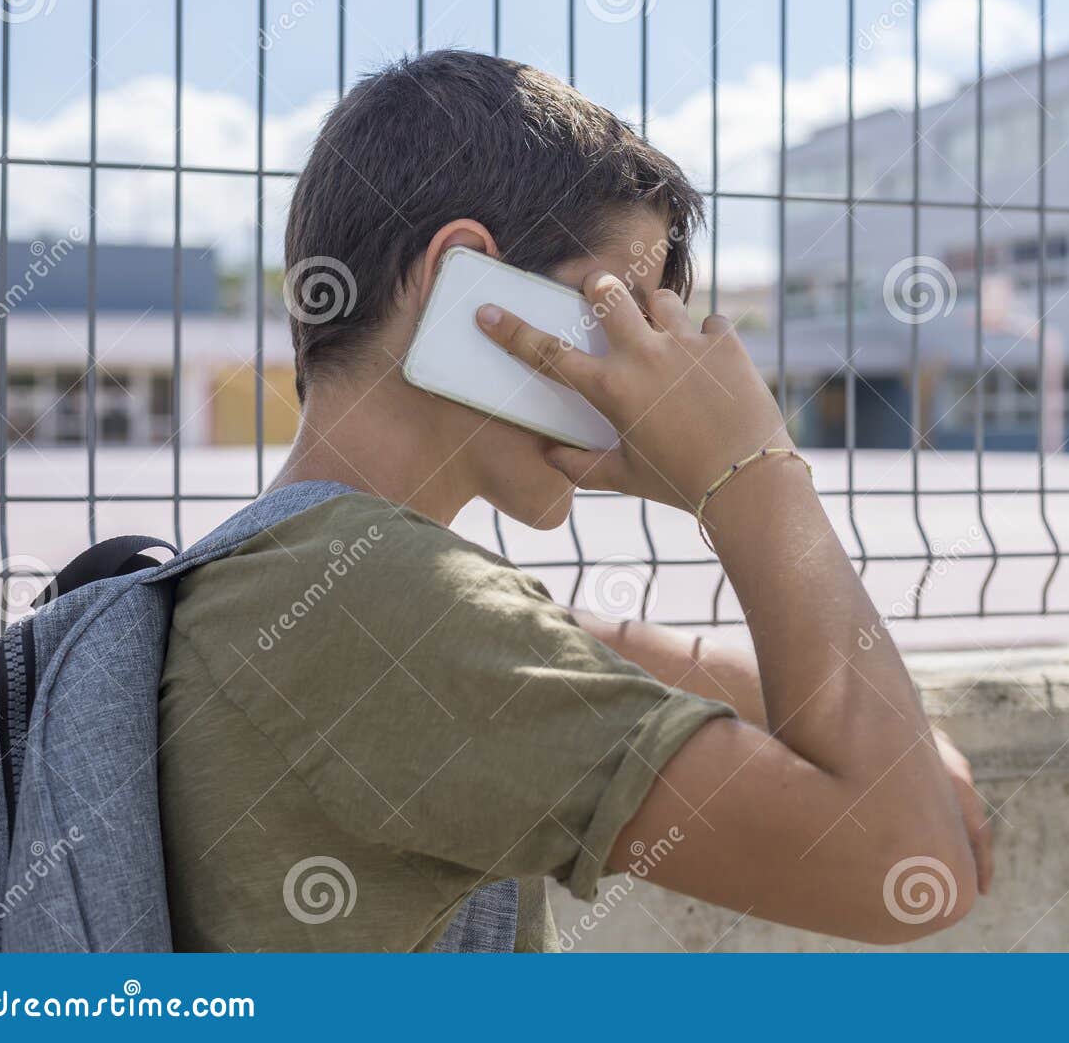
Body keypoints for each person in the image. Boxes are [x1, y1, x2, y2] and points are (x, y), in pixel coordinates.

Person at [158, 49, 991, 951]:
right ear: (456, 287)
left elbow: (901, 777)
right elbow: (916, 869)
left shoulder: (290, 577)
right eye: (617, 313)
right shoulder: (389, 612)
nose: (639, 379)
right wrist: (753, 472)